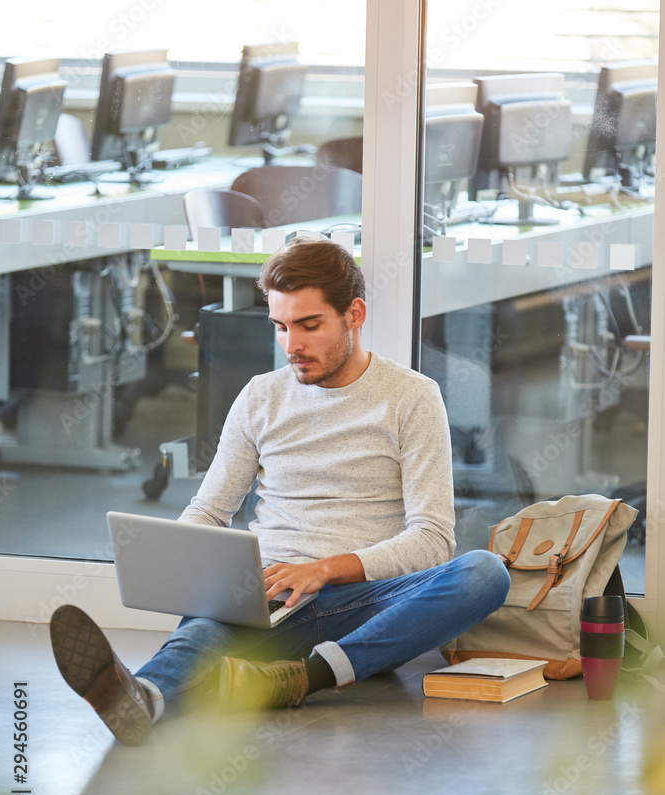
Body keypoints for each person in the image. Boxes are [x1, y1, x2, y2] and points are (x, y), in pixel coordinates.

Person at [50, 239, 510, 746]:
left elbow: (432, 540)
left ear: (354, 314)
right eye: (281, 326)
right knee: (202, 628)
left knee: (483, 573)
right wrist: (182, 562)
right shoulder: (260, 396)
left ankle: (301, 678)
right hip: (268, 596)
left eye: (309, 325)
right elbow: (209, 509)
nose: (292, 345)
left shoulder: (412, 398)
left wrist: (323, 569)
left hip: (364, 602)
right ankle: (144, 700)